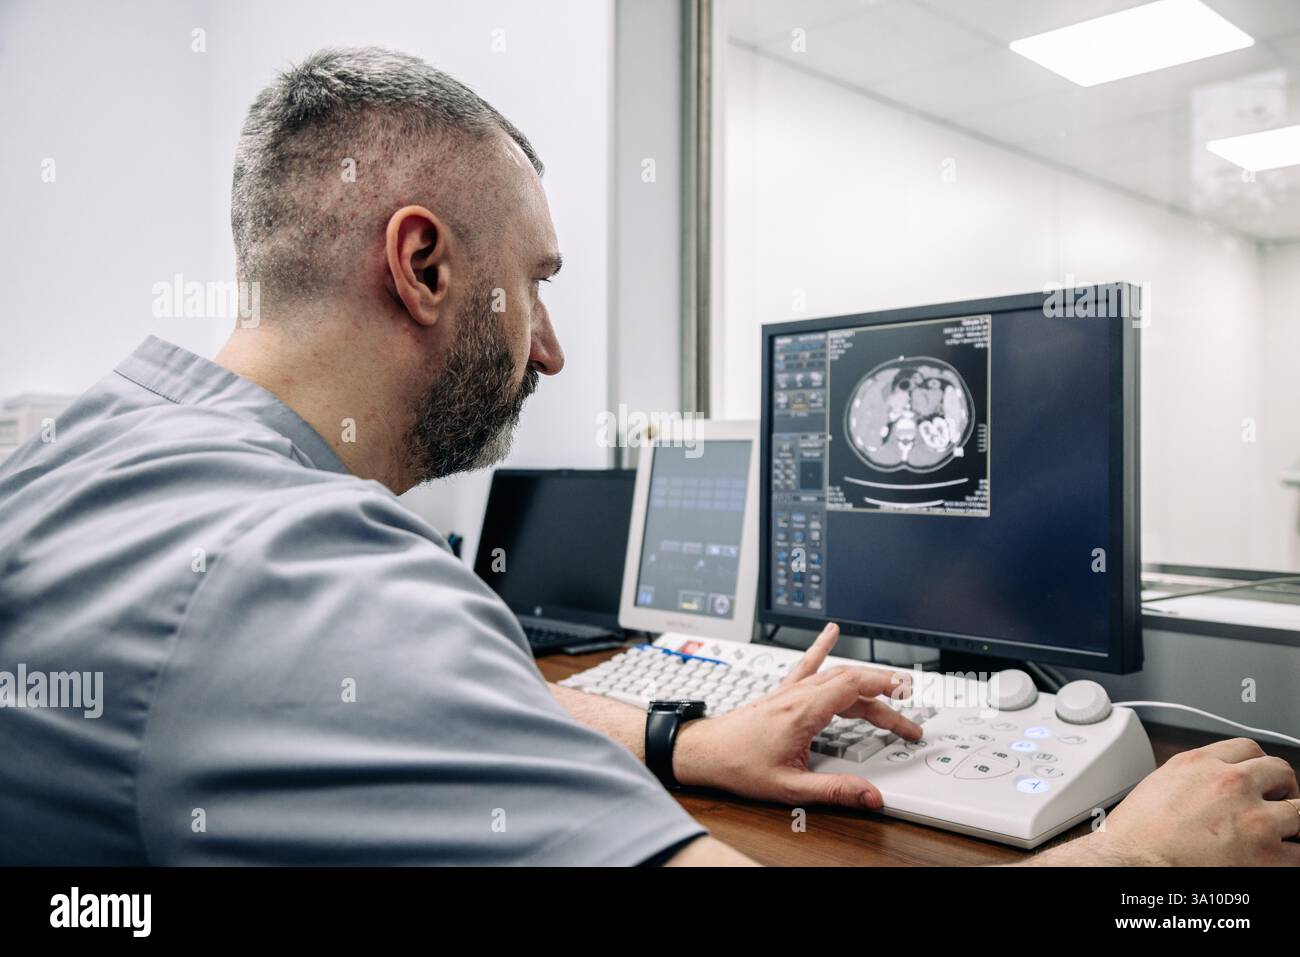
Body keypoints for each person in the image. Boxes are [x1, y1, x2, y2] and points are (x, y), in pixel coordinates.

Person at [0, 47, 1296, 867]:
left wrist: (681, 736)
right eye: (537, 283)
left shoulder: (108, 445)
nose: (551, 351)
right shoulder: (309, 573)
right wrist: (1142, 857)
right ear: (425, 263)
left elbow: (378, 702)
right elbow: (339, 662)